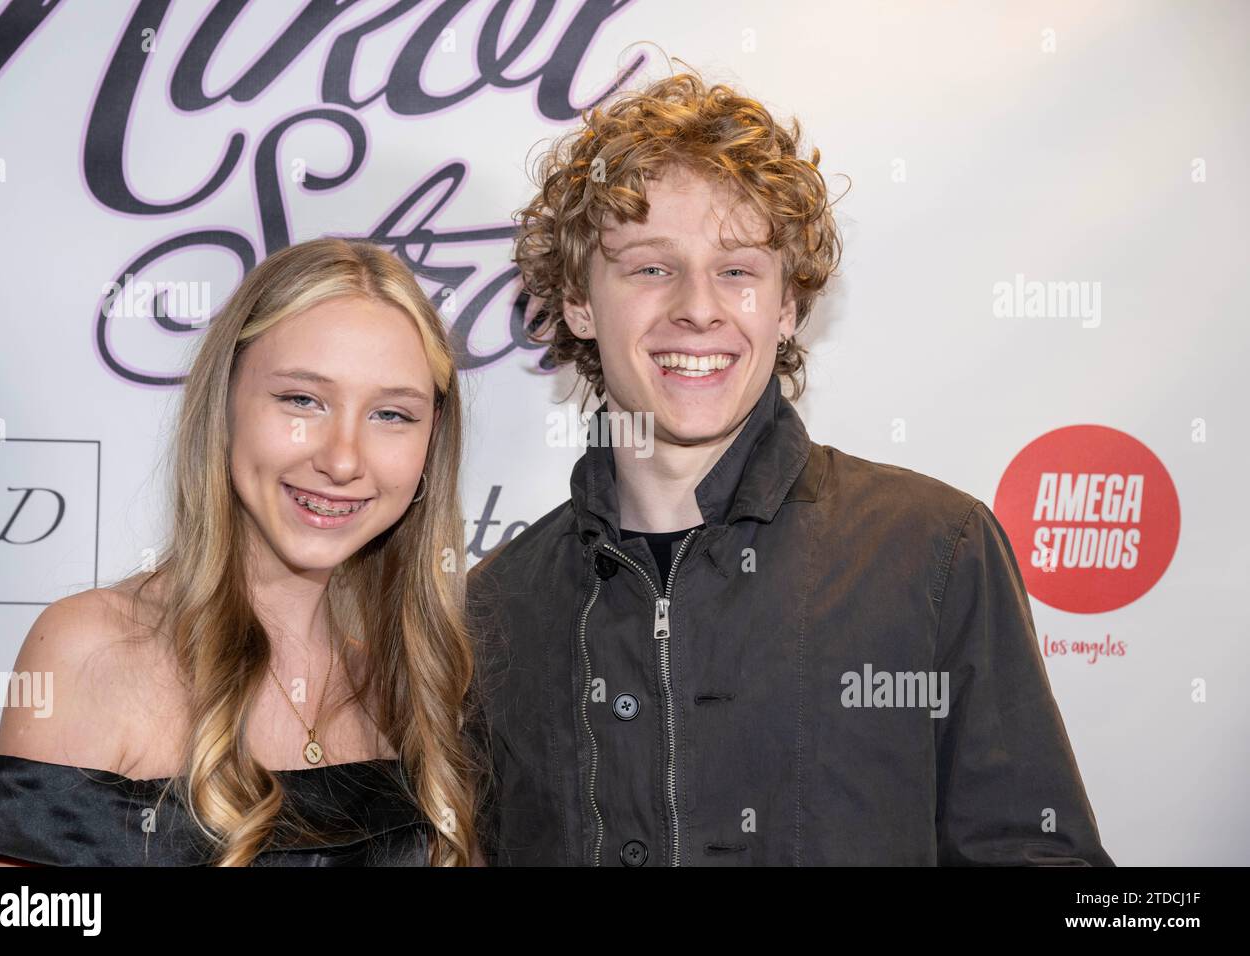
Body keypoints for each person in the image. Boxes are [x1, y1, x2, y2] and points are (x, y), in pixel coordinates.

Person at [467, 71, 1113, 866]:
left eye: (737, 270)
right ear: (576, 303)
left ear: (788, 305)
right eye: (649, 268)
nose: (698, 307)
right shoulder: (496, 607)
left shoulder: (933, 551)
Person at [0, 237, 491, 866]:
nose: (343, 459)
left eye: (392, 415)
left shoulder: (413, 687)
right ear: (226, 404)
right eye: (301, 400)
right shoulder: (92, 650)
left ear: (432, 443)